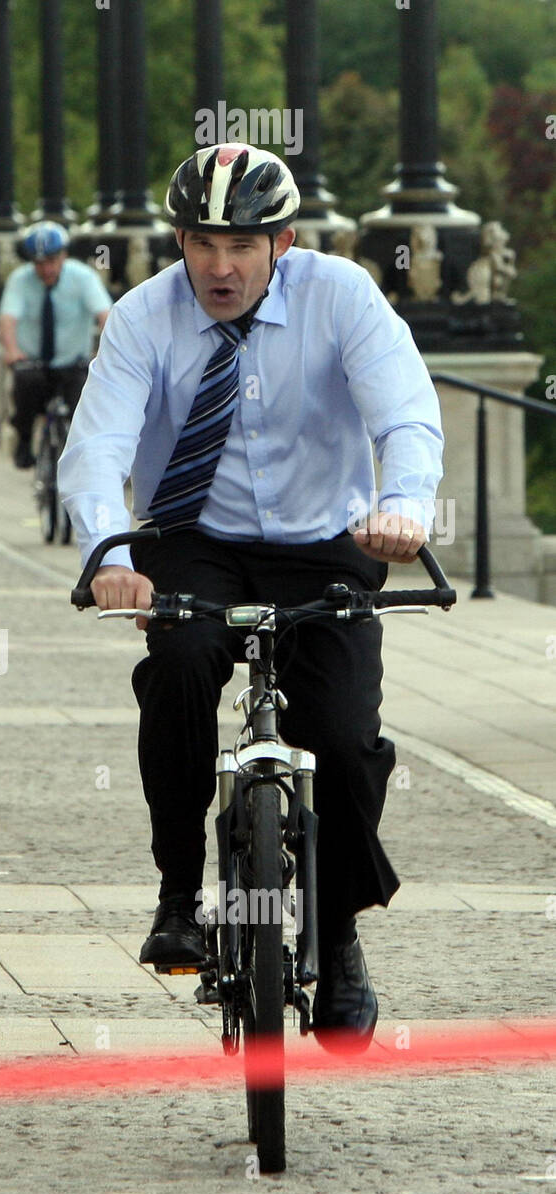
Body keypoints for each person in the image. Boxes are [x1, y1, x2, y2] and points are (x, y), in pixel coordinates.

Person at [58, 144, 444, 1052]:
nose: (219, 268)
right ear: (180, 240)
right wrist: (106, 553)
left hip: (326, 543)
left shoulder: (341, 295)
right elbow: (97, 447)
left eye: (241, 246)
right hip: (194, 538)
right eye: (200, 243)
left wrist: (403, 509)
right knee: (181, 667)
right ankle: (175, 895)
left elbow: (403, 412)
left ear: (285, 240)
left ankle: (338, 931)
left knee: (344, 738)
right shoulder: (140, 318)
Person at [0, 221, 112, 469]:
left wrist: (108, 352)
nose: (46, 268)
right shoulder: (20, 280)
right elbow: (7, 320)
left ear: (64, 255)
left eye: (51, 260)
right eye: (39, 263)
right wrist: (12, 351)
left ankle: (84, 460)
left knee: (83, 408)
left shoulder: (83, 277)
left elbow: (105, 316)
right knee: (25, 385)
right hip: (33, 362)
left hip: (73, 361)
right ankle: (24, 440)